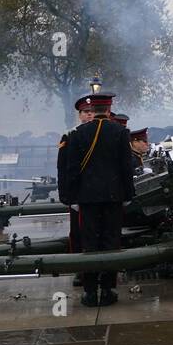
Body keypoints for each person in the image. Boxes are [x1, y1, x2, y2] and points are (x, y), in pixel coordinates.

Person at [60, 91, 134, 307]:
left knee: (89, 242)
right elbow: (125, 168)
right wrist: (128, 194)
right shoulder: (120, 132)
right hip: (113, 197)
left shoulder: (78, 134)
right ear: (109, 110)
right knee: (111, 240)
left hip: (87, 198)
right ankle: (108, 289)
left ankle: (90, 292)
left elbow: (72, 169)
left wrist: (72, 197)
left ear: (93, 110)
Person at [57, 95, 96, 284]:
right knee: (78, 232)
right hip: (79, 193)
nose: (89, 116)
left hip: (96, 190)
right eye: (86, 113)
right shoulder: (70, 136)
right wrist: (68, 197)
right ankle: (80, 269)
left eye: (92, 112)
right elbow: (63, 168)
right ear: (80, 115)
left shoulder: (99, 134)